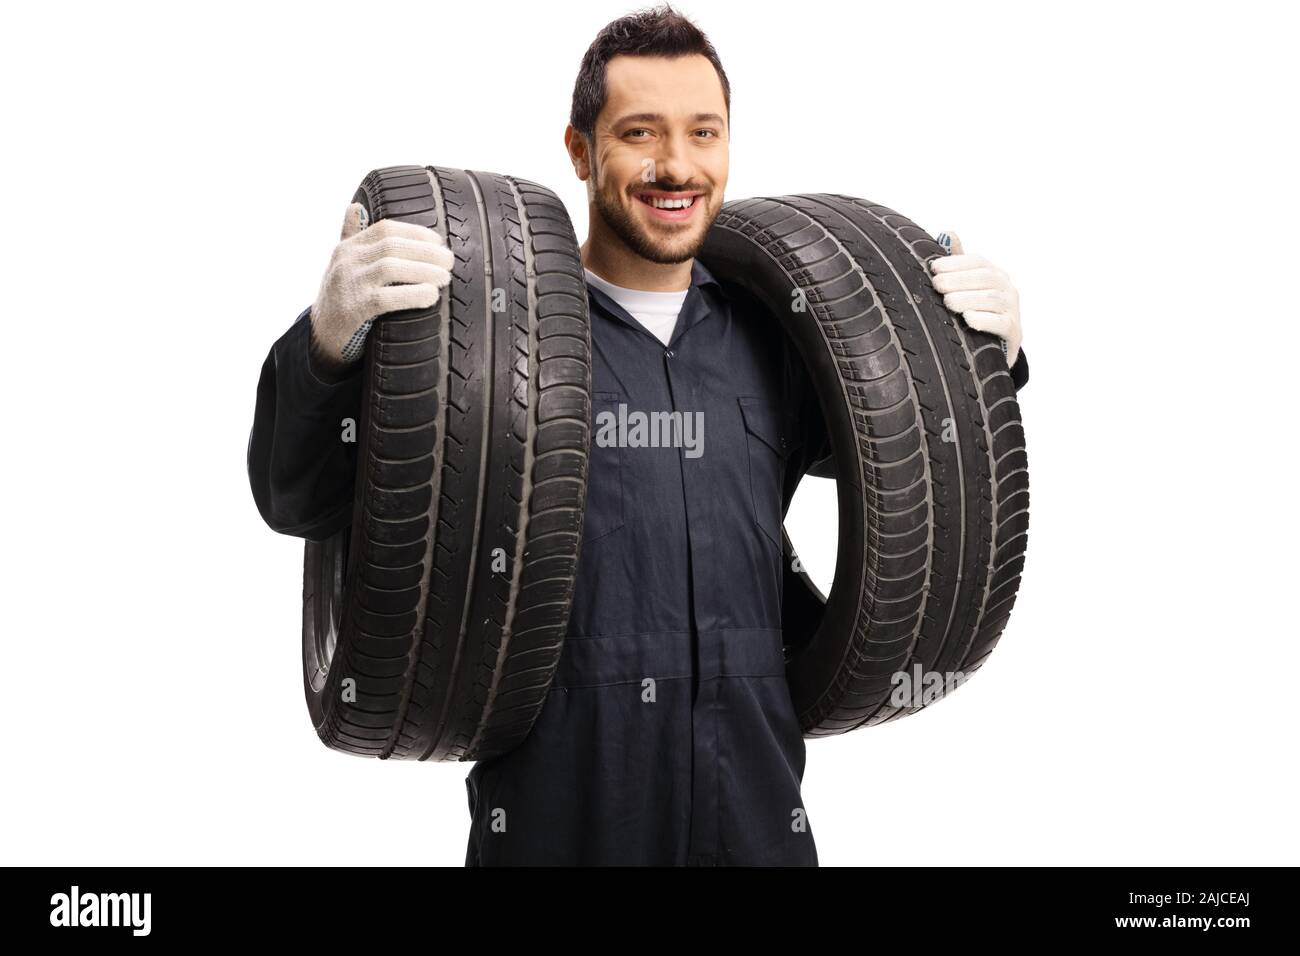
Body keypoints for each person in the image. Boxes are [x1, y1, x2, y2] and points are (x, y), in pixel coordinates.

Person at [248, 4, 1028, 866]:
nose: (677, 166)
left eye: (704, 132)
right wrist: (329, 344)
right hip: (559, 834)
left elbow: (914, 453)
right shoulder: (481, 346)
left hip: (759, 827)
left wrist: (977, 357)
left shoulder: (779, 340)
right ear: (581, 150)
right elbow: (298, 497)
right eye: (640, 133)